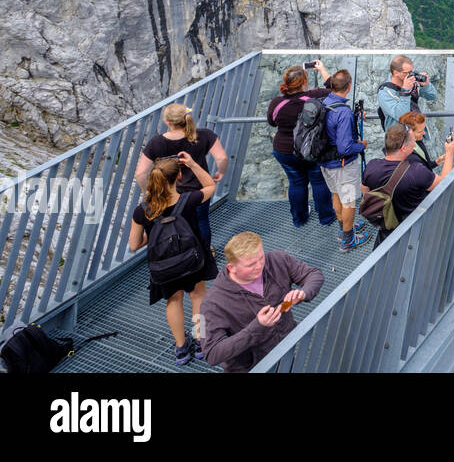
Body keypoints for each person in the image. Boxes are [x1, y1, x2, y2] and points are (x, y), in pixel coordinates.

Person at [128, 153, 218, 366]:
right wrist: (193, 164)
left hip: (164, 266)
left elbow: (133, 245)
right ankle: (200, 343)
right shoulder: (189, 200)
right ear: (178, 176)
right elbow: (210, 186)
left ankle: (181, 349)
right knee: (198, 297)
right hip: (193, 259)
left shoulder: (143, 211)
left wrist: (156, 232)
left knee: (173, 300)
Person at [200, 231, 324, 373]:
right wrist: (257, 328)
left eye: (261, 258)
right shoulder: (212, 304)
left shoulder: (277, 260)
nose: (259, 266)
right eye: (250, 265)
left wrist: (303, 293)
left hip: (286, 351)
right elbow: (212, 353)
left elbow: (314, 274)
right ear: (231, 268)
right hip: (252, 368)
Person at [134, 103, 228, 252]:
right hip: (199, 190)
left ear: (168, 122)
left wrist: (148, 191)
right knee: (201, 221)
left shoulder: (156, 142)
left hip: (170, 194)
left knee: (174, 223)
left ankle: (181, 253)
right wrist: (220, 172)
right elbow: (222, 158)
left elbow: (140, 174)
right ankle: (205, 252)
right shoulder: (203, 135)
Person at [266, 61, 337, 228]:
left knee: (296, 182)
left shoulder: (277, 102)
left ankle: (299, 219)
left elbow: (272, 122)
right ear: (304, 81)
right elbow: (336, 89)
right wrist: (322, 69)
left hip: (284, 150)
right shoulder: (315, 95)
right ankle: (325, 218)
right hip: (311, 148)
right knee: (318, 181)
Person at [361, 123, 454, 247]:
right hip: (414, 228)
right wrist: (449, 153)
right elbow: (445, 183)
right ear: (403, 148)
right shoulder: (416, 171)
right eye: (412, 141)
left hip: (387, 228)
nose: (414, 143)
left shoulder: (371, 167)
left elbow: (365, 192)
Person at [319, 69, 370, 252]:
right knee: (348, 202)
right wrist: (361, 145)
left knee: (336, 195)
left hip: (326, 162)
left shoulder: (325, 103)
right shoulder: (343, 112)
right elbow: (345, 148)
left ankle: (343, 229)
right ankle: (348, 240)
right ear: (348, 87)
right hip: (342, 165)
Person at [377, 55, 437, 131]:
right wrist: (405, 92)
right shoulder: (384, 92)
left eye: (411, 72)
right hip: (398, 137)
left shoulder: (412, 82)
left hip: (416, 132)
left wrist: (426, 85)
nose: (410, 75)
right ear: (396, 73)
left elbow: (432, 97)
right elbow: (401, 116)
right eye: (407, 73)